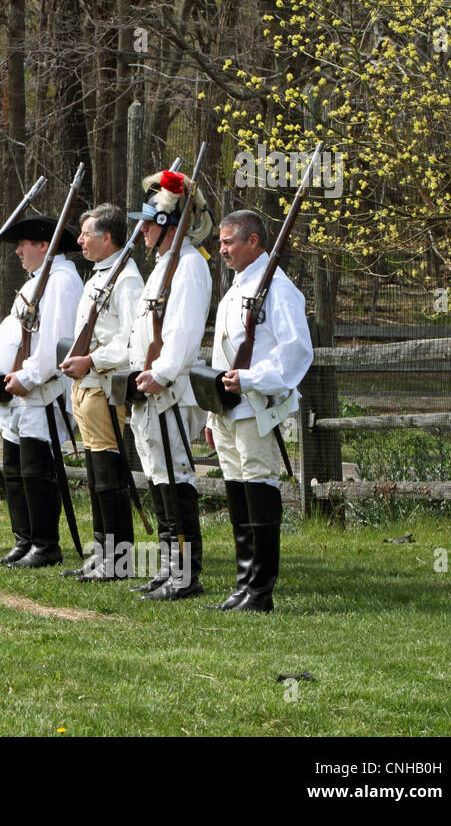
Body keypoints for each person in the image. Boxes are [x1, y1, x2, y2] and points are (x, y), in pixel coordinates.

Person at [204, 210, 312, 612]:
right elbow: (222, 352)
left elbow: (296, 353)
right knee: (236, 487)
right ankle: (243, 583)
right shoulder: (236, 289)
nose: (223, 250)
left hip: (255, 405)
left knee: (258, 486)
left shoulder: (278, 290)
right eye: (221, 242)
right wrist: (214, 410)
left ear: (253, 242)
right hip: (230, 408)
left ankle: (260, 590)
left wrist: (250, 380)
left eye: (229, 242)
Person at [126, 171, 213, 600]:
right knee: (159, 476)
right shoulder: (164, 266)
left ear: (166, 224)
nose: (141, 229)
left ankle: (185, 575)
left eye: (147, 221)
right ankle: (168, 568)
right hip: (150, 388)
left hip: (169, 390)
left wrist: (160, 373)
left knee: (177, 477)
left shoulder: (191, 266)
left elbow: (182, 332)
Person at [0, 216, 83, 569]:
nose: (17, 251)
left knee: (36, 470)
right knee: (15, 467)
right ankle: (24, 539)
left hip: (41, 390)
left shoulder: (60, 282)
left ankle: (45, 545)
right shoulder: (38, 281)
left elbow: (55, 342)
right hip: (20, 387)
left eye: (23, 244)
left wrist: (27, 378)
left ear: (44, 246)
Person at [59, 203, 145, 580]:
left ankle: (118, 561)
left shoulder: (126, 281)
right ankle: (101, 555)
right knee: (96, 475)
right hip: (86, 387)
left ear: (107, 237)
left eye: (87, 234)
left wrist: (91, 360)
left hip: (104, 388)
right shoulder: (98, 277)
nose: (79, 241)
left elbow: (131, 341)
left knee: (109, 476)